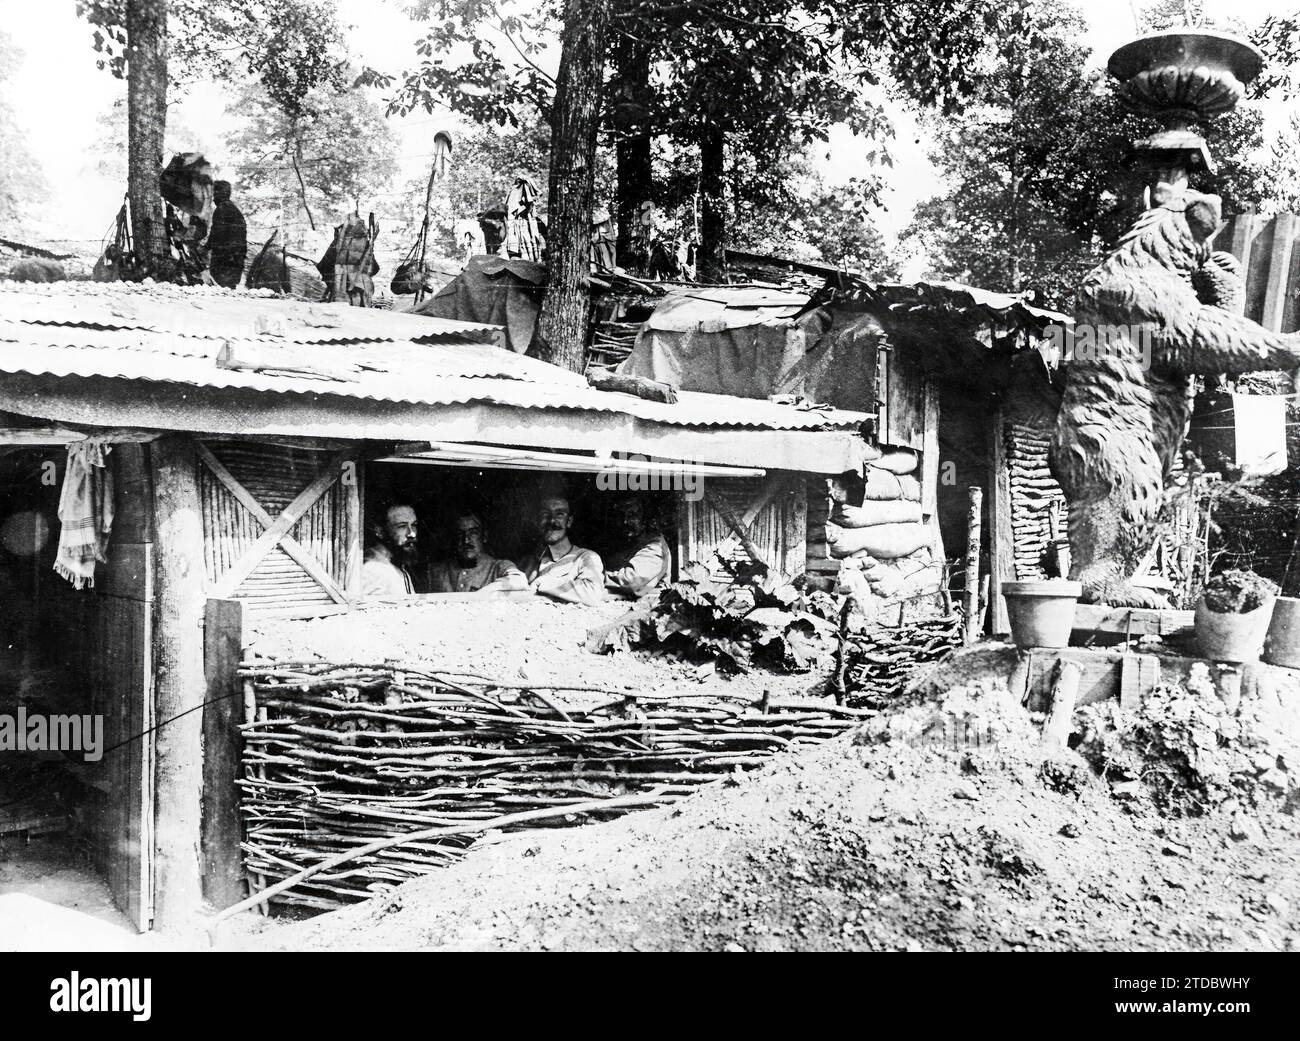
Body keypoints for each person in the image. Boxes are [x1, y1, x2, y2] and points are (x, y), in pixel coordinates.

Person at [517, 495, 605, 605]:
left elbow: (592, 593)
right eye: (545, 514)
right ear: (537, 521)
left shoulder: (586, 558)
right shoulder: (527, 562)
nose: (552, 520)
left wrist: (543, 583)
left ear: (569, 521)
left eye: (559, 514)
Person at [427, 511, 527, 593]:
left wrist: (485, 592)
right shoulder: (437, 572)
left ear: (485, 536)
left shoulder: (498, 567)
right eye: (460, 534)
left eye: (473, 533)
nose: (466, 540)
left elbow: (519, 580)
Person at [603, 496, 671, 599]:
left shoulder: (656, 546)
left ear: (644, 518)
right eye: (620, 515)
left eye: (632, 515)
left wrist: (594, 576)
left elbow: (631, 581)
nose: (625, 521)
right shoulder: (627, 543)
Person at [361, 502, 418, 599]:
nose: (412, 534)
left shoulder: (397, 567)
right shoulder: (373, 570)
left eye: (414, 525)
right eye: (402, 526)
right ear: (380, 531)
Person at [208, 180, 248, 290]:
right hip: (236, 256)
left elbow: (216, 232)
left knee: (221, 285)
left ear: (220, 193)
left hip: (225, 257)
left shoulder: (221, 209)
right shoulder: (234, 210)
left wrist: (206, 247)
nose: (213, 197)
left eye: (215, 193)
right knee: (229, 287)